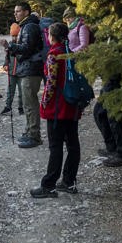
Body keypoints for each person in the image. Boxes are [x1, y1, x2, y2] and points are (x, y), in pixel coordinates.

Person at [31, 21, 82, 199]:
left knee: (55, 146)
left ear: (51, 36)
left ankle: (49, 185)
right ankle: (69, 181)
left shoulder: (54, 54)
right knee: (73, 144)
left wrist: (44, 102)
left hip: (58, 107)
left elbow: (51, 82)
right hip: (72, 106)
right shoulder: (71, 53)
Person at [1, 3, 44, 148]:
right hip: (28, 68)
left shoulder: (29, 26)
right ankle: (29, 131)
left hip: (31, 69)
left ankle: (34, 136)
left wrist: (10, 46)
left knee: (30, 103)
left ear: (26, 12)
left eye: (18, 11)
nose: (15, 14)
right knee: (27, 103)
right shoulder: (26, 25)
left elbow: (27, 48)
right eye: (15, 11)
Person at [94, 75, 122, 166]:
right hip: (110, 78)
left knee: (115, 116)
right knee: (100, 112)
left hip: (115, 78)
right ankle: (113, 148)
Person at [0, 22, 24, 116]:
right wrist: (5, 64)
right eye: (13, 36)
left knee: (21, 92)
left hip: (21, 73)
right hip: (11, 72)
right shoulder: (9, 44)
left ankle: (21, 107)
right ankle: (8, 106)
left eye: (16, 35)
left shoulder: (22, 45)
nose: (14, 38)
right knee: (10, 90)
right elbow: (7, 56)